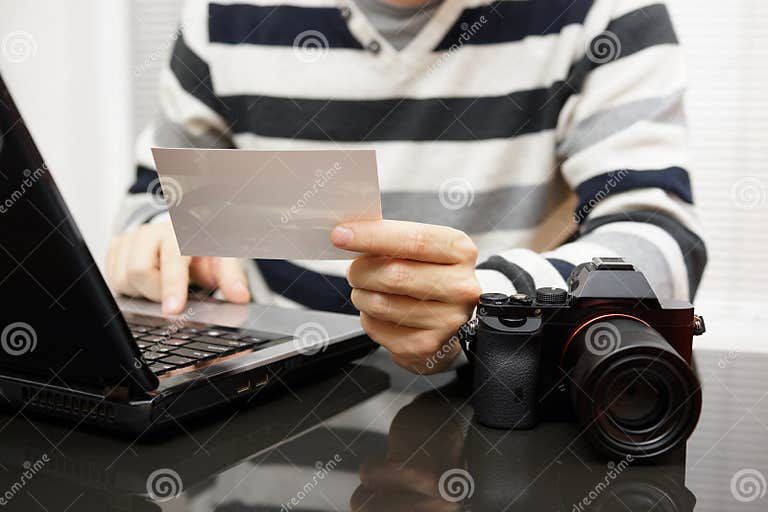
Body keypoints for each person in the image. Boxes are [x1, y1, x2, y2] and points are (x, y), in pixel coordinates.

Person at [107, 0, 707, 374]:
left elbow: (661, 244)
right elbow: (155, 202)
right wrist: (159, 245)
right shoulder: (220, 16)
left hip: (494, 400)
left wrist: (489, 301)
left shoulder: (604, 12)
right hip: (265, 408)